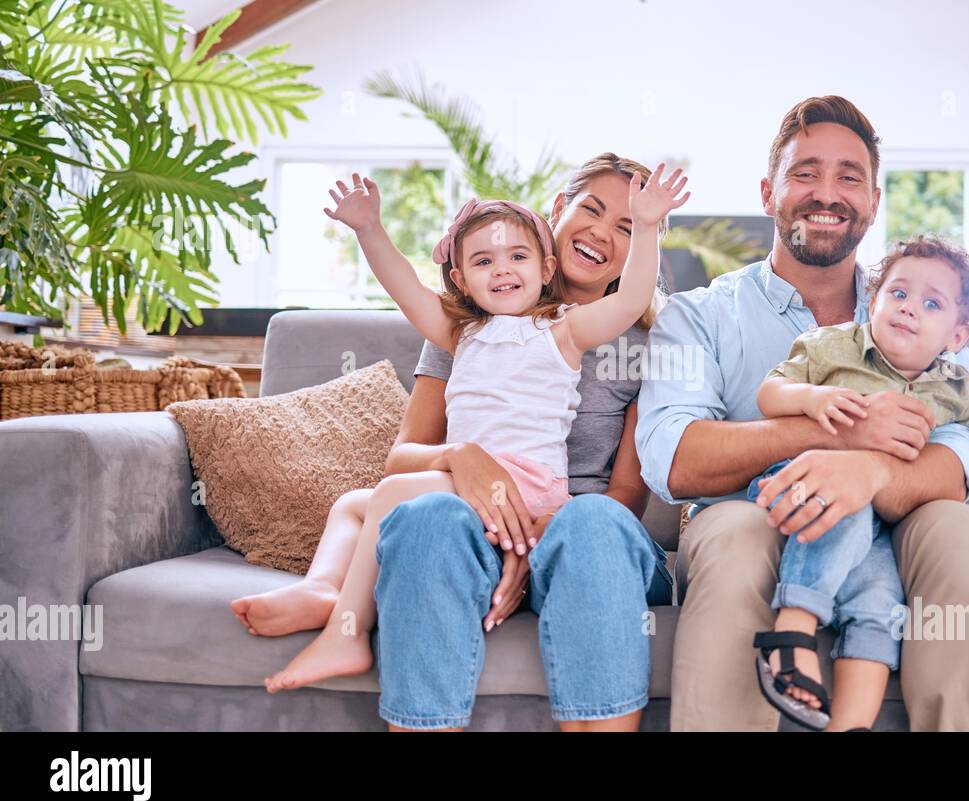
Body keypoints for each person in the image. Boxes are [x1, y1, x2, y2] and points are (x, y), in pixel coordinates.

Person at [636, 96, 969, 731]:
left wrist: (867, 475)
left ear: (871, 200)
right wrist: (833, 431)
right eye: (805, 172)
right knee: (734, 535)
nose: (827, 193)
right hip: (753, 514)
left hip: (892, 529)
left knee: (962, 530)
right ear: (768, 192)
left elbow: (951, 468)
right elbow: (673, 461)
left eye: (849, 176)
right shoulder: (699, 314)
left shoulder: (924, 316)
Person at [254, 164, 688, 695]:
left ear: (542, 262)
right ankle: (325, 590)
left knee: (392, 496)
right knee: (357, 502)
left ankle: (348, 623)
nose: (602, 231)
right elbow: (407, 291)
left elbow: (629, 302)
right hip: (468, 504)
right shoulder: (467, 329)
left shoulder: (576, 333)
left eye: (624, 225)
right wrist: (369, 230)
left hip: (560, 514)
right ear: (559, 210)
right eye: (592, 210)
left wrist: (648, 227)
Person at [749, 234, 969, 730]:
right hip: (807, 486)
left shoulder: (950, 385)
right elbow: (769, 393)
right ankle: (791, 633)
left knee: (882, 599)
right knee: (845, 503)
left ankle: (849, 725)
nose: (909, 308)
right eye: (898, 293)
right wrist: (810, 399)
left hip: (873, 519)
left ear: (955, 338)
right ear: (873, 301)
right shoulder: (832, 346)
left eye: (931, 303)